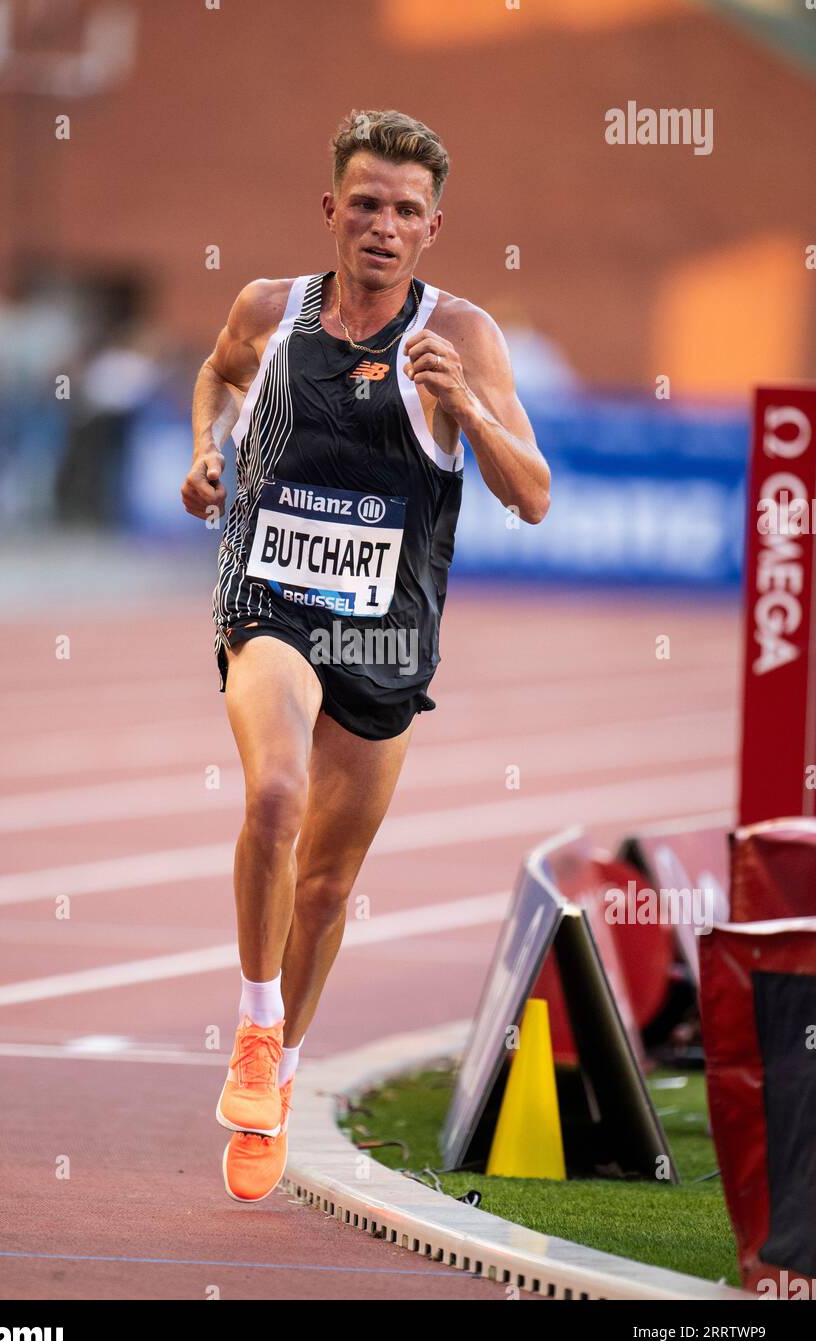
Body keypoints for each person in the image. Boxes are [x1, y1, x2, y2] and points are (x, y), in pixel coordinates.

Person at [181, 109, 550, 1202]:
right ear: (330, 209)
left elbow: (531, 496)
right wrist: (207, 449)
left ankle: (280, 1077)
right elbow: (217, 375)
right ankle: (254, 1033)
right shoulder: (271, 307)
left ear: (432, 227)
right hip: (272, 596)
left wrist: (466, 406)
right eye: (365, 204)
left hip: (386, 632)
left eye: (404, 211)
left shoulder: (465, 335)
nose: (381, 226)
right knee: (277, 794)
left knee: (330, 885)